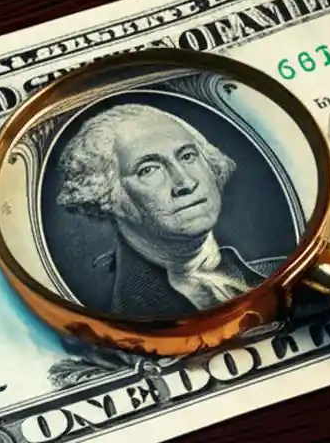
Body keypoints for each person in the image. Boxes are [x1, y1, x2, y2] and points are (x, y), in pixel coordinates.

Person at [56, 103, 280, 317]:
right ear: (107, 196)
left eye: (187, 156)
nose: (186, 183)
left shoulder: (279, 271)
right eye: (149, 169)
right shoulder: (124, 320)